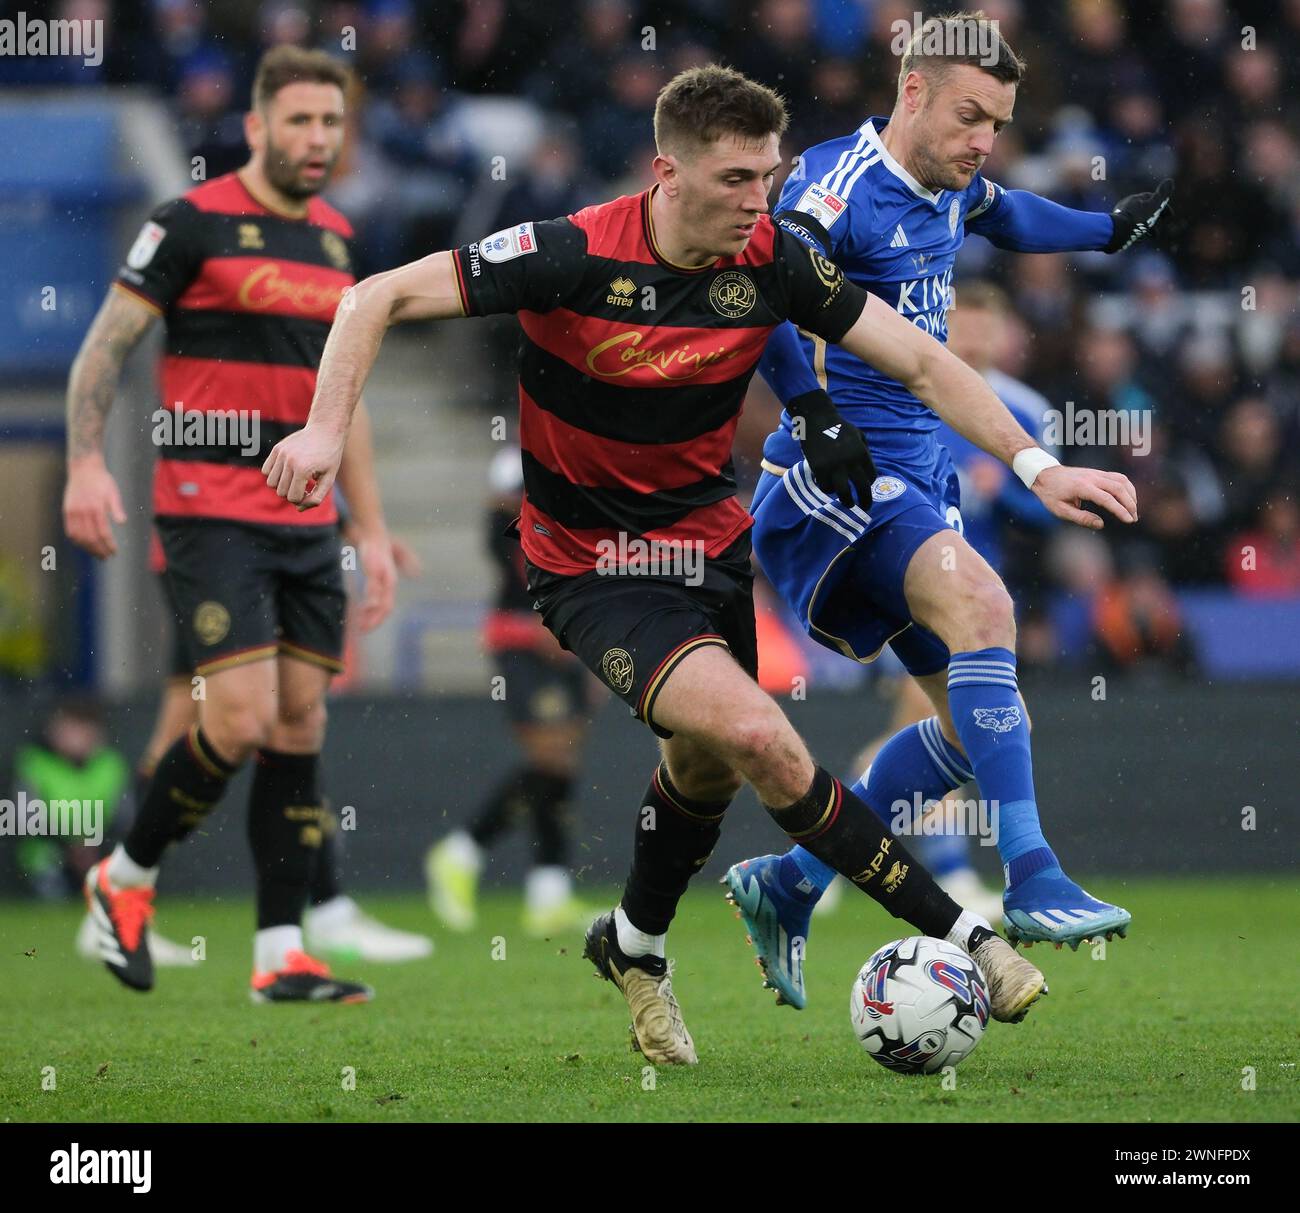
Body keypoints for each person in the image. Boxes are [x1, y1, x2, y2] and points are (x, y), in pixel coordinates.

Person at [263, 64, 1136, 1065]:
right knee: (758, 733)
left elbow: (924, 362)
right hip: (591, 564)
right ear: (665, 174)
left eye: (767, 177)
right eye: (734, 181)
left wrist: (1035, 463)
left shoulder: (767, 257)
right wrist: (324, 433)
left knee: (704, 765)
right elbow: (371, 295)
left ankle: (633, 944)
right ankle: (969, 937)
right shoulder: (568, 253)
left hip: (705, 548)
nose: (758, 203)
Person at [721, 12, 1170, 1011]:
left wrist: (1106, 229)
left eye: (999, 122)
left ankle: (787, 883)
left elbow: (1007, 214)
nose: (983, 141)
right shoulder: (835, 185)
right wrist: (809, 408)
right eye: (970, 115)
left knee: (964, 729)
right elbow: (762, 287)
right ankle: (1033, 875)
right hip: (831, 479)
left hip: (914, 480)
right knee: (987, 613)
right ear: (913, 92)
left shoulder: (948, 188)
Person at [63, 46, 399, 1002]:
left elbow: (347, 402)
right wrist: (85, 460)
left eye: (331, 123)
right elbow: (106, 345)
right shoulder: (189, 223)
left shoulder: (337, 240)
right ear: (255, 128)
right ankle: (122, 880)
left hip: (307, 521)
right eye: (298, 121)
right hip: (210, 512)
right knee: (241, 719)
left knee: (299, 722)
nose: (316, 139)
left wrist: (370, 527)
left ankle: (280, 953)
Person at [134, 519, 433, 964]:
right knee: (275, 717)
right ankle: (124, 888)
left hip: (240, 541)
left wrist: (360, 528)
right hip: (222, 544)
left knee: (281, 716)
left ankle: (123, 896)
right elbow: (259, 456)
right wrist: (358, 527)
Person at [426, 445, 600, 937]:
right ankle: (463, 851)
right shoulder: (515, 526)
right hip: (523, 643)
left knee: (561, 763)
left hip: (560, 642)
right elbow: (529, 586)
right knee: (549, 757)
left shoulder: (557, 513)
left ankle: (547, 892)